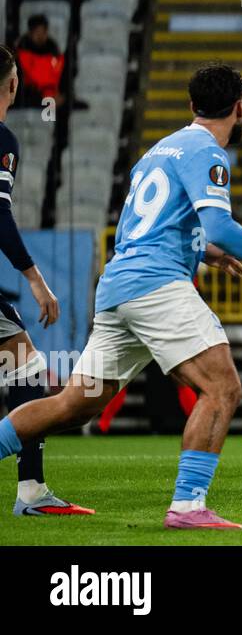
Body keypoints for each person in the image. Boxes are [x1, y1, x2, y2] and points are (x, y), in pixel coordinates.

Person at [0, 63, 242, 529]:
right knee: (222, 388)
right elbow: (219, 224)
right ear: (240, 108)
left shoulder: (157, 151)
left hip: (118, 287)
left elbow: (157, 227)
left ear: (193, 106)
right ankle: (188, 505)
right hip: (156, 287)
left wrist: (206, 254)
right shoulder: (208, 153)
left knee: (74, 404)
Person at [0, 46, 88, 516]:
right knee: (30, 373)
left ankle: (32, 488)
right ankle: (31, 489)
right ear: (13, 85)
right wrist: (36, 279)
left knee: (24, 369)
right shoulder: (2, 139)